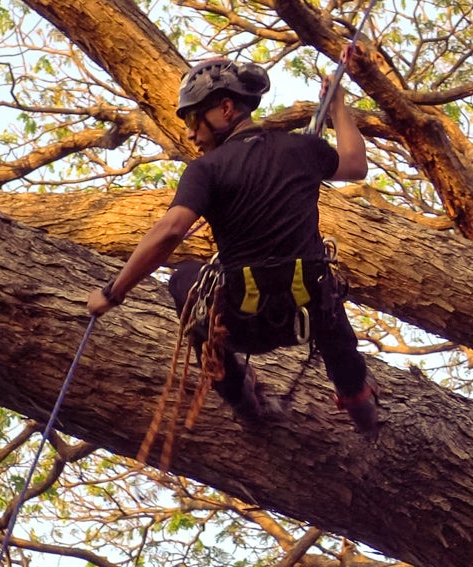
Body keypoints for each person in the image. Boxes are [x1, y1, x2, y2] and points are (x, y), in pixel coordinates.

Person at [87, 52, 380, 435]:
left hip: (245, 322)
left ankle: (241, 398)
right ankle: (359, 400)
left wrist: (112, 293)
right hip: (308, 317)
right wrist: (340, 107)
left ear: (226, 108)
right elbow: (355, 163)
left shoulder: (206, 169)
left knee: (185, 280)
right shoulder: (300, 150)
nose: (191, 134)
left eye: (194, 120)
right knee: (321, 287)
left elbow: (173, 229)